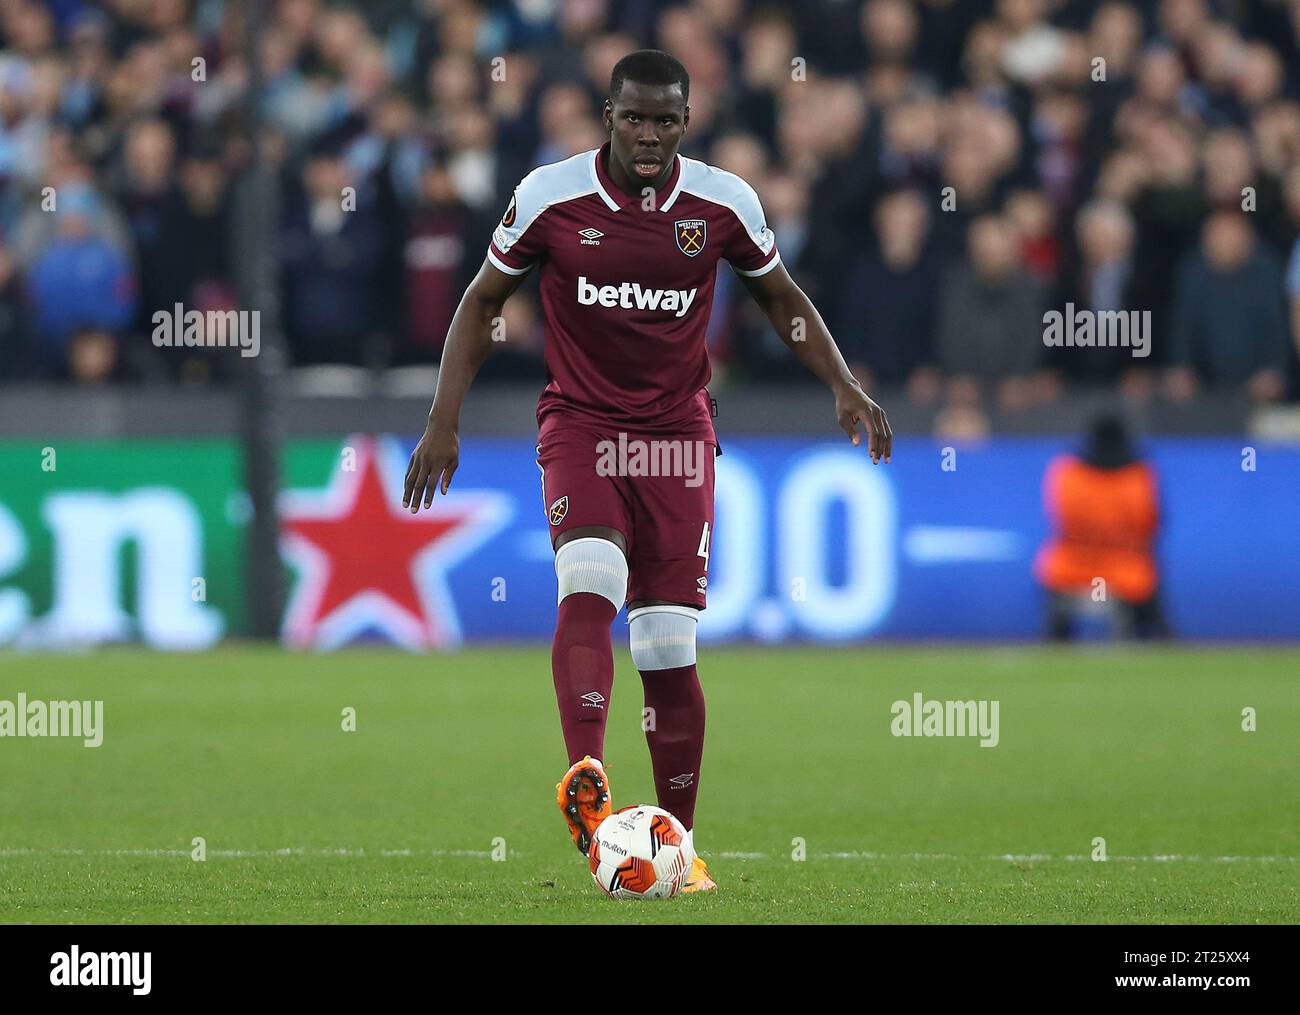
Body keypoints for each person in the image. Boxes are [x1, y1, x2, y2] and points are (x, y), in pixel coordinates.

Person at [402, 50, 891, 892]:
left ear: (686, 122)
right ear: (608, 114)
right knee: (588, 579)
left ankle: (677, 841)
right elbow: (483, 301)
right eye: (635, 118)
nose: (650, 135)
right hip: (583, 425)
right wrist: (442, 420)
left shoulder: (723, 202)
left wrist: (844, 385)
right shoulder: (551, 198)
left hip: (675, 437)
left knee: (667, 644)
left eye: (666, 120)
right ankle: (587, 782)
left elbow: (782, 298)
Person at [1034, 415, 1168, 640]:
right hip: (1125, 575)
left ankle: (1055, 640)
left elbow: (1058, 517)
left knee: (1051, 581)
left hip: (1069, 571)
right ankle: (1161, 639)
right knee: (1149, 589)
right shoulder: (1137, 475)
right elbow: (1150, 524)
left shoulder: (1067, 471)